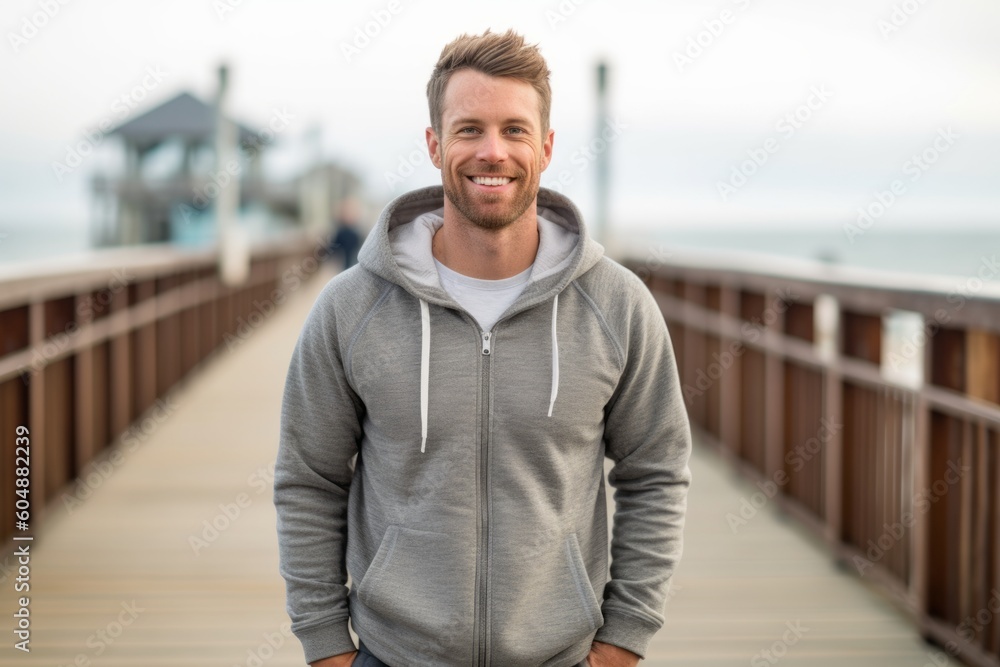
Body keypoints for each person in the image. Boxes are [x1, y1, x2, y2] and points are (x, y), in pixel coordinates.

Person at [274, 29, 692, 667]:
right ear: (435, 143)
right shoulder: (352, 308)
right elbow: (308, 480)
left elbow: (657, 471)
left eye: (515, 130)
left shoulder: (616, 304)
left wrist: (622, 641)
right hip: (393, 656)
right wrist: (327, 646)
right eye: (469, 129)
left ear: (546, 147)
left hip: (564, 655)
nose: (492, 151)